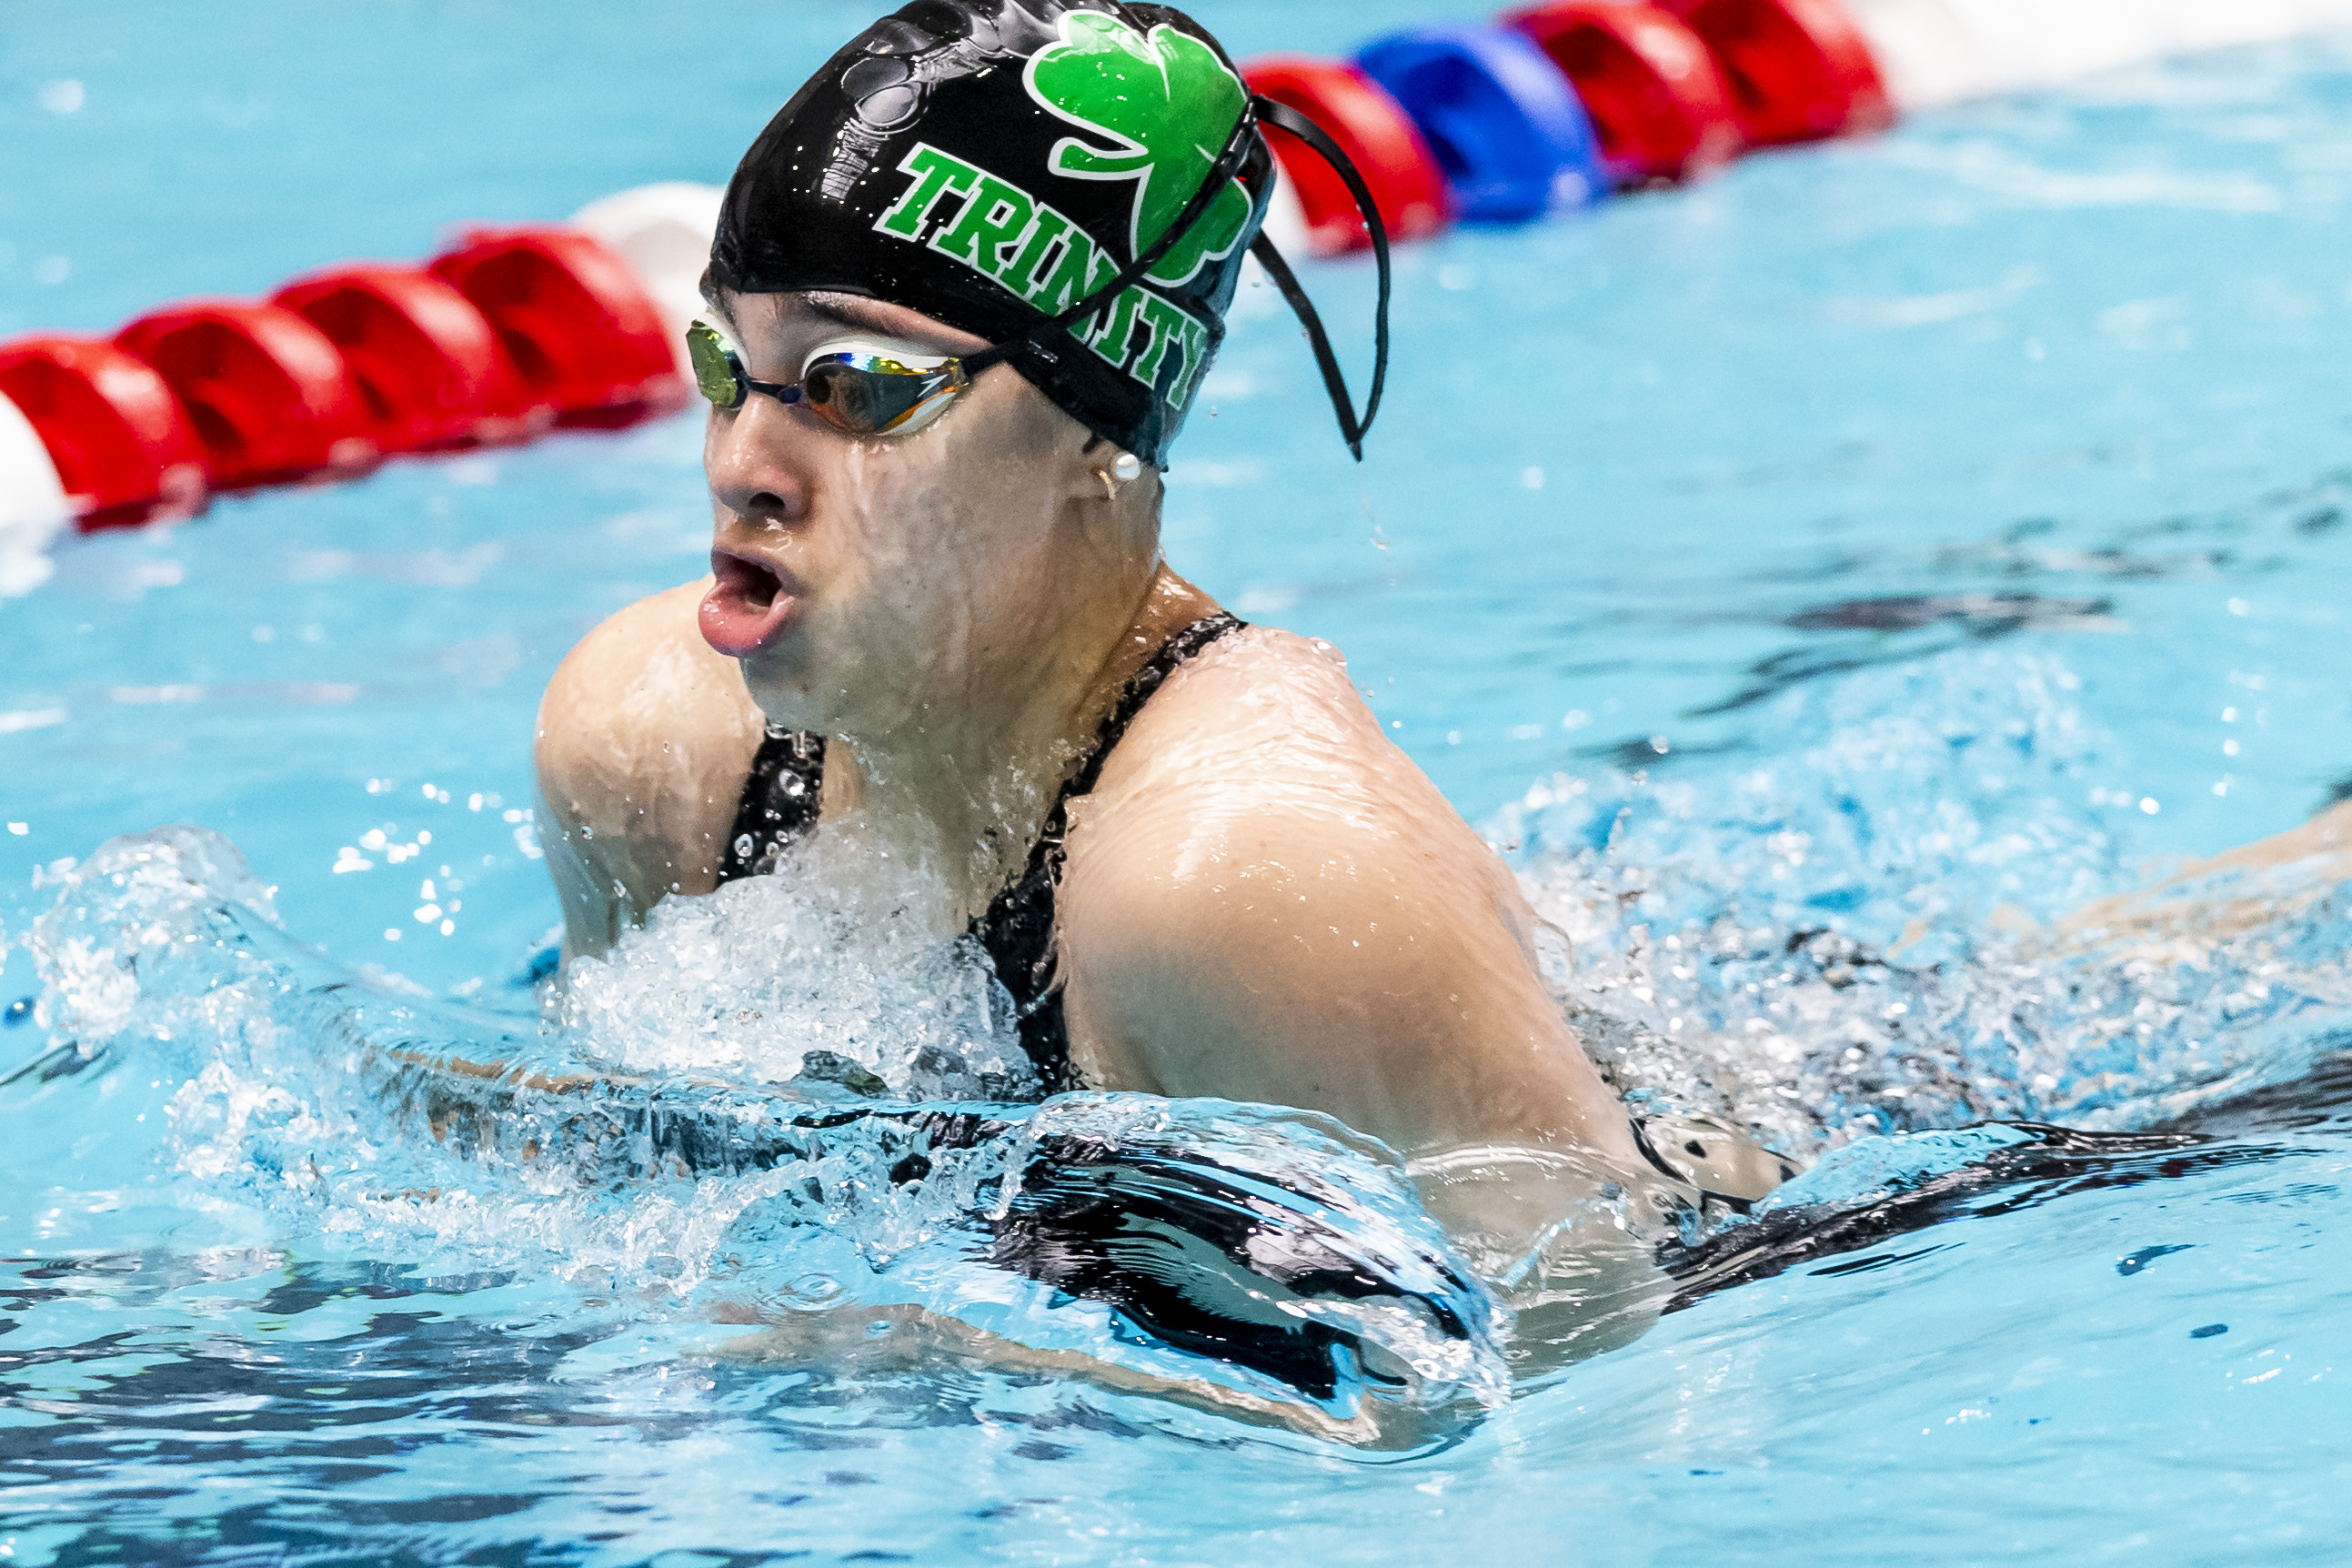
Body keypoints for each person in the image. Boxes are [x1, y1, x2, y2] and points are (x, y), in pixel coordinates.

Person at [533, 0, 1781, 1347]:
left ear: (1091, 430)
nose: (739, 463)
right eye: (727, 364)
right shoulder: (652, 741)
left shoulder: (1242, 878)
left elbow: (1573, 1360)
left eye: (857, 387)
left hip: (1747, 1224)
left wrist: (930, 1335)